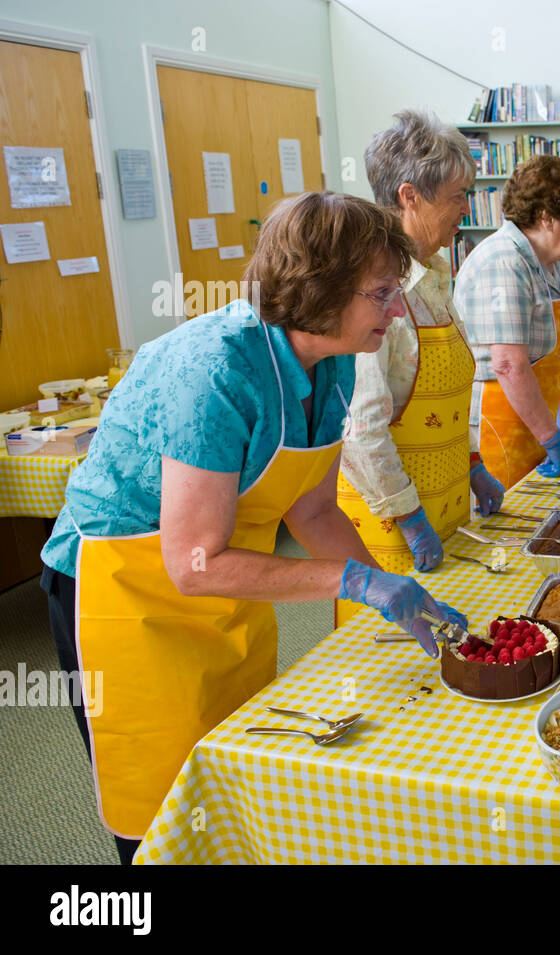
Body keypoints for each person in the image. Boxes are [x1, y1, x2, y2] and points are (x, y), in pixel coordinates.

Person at [39, 192, 470, 863]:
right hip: (125, 593)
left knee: (234, 775)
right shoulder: (214, 370)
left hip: (224, 581)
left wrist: (388, 590)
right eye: (382, 292)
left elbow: (315, 509)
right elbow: (191, 563)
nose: (395, 307)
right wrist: (352, 579)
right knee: (163, 803)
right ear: (321, 292)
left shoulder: (330, 364)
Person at [336, 111, 504, 629]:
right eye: (457, 195)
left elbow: (450, 387)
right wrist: (409, 518)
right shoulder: (375, 291)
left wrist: (472, 460)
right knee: (395, 676)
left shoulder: (433, 274)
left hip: (446, 505)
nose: (466, 209)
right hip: (392, 529)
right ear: (410, 195)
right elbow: (361, 432)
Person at [453, 156, 560, 487]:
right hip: (501, 424)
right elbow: (508, 365)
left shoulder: (550, 260)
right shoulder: (504, 262)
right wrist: (551, 439)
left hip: (536, 418)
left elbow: (559, 349)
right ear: (547, 219)